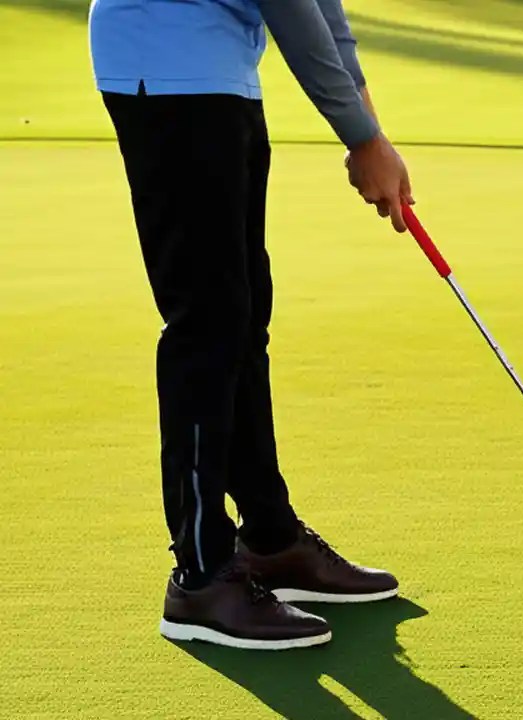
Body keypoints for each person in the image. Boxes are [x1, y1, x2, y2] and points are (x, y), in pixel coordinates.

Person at [88, 0, 415, 649]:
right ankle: (200, 577)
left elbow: (323, 7)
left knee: (242, 314)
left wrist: (371, 132)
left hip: (218, 72)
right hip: (167, 67)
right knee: (205, 321)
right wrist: (360, 136)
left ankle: (269, 538)